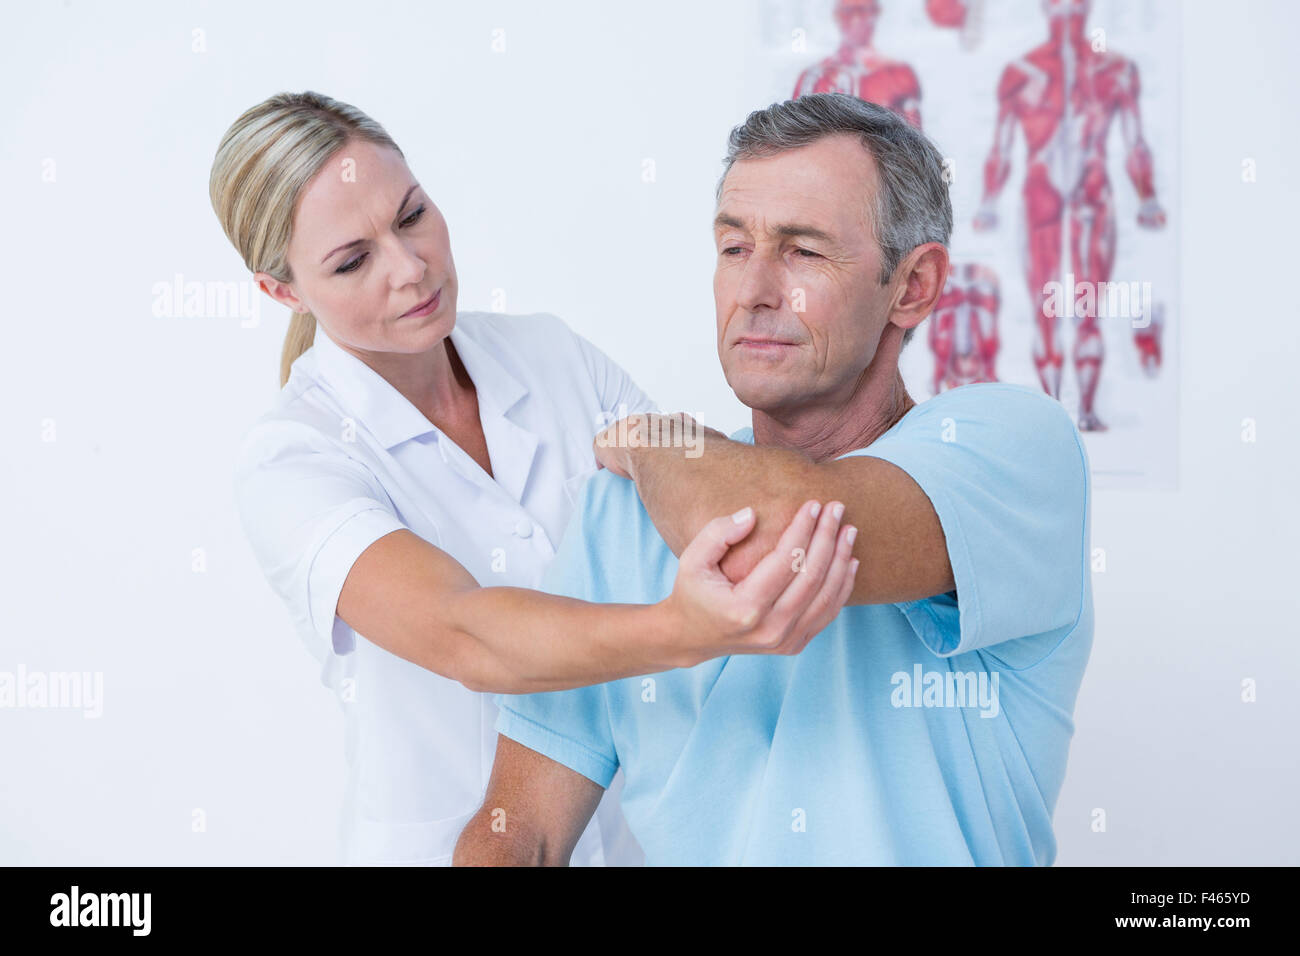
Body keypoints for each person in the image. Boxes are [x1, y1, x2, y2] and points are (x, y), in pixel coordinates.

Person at [211, 91, 860, 866]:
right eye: (353, 260)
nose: (411, 268)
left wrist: (677, 459)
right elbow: (465, 633)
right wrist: (686, 629)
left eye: (413, 215)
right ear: (281, 291)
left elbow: (693, 474)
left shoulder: (548, 354)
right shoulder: (293, 459)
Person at [455, 93, 1094, 866]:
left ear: (914, 285)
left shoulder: (1009, 450)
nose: (754, 290)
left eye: (803, 251)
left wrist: (656, 440)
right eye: (733, 247)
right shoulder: (620, 513)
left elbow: (787, 532)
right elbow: (521, 824)